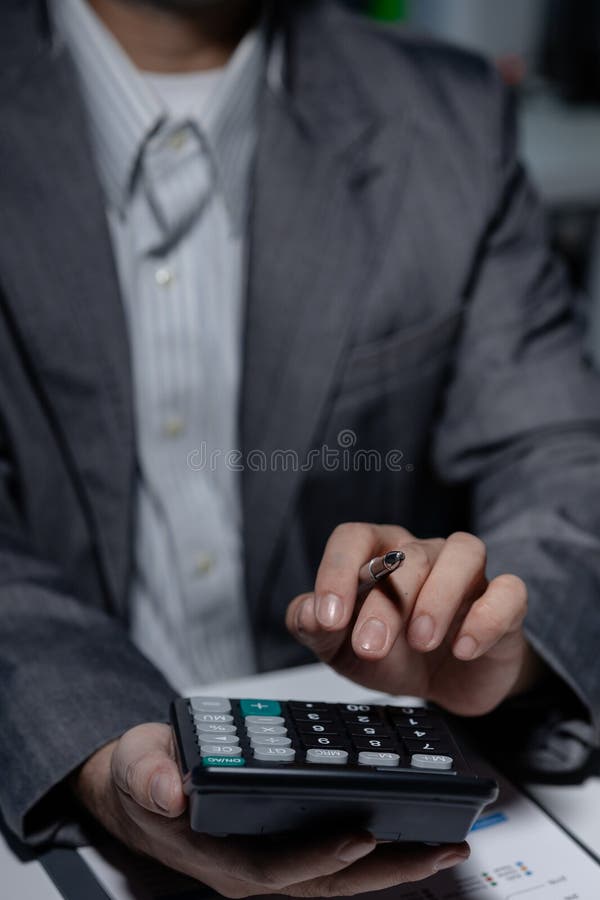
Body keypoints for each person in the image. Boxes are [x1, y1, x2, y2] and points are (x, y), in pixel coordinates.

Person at [0, 0, 599, 895]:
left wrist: (498, 648)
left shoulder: (447, 116)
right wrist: (91, 740)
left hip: (394, 770)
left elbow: (562, 469)